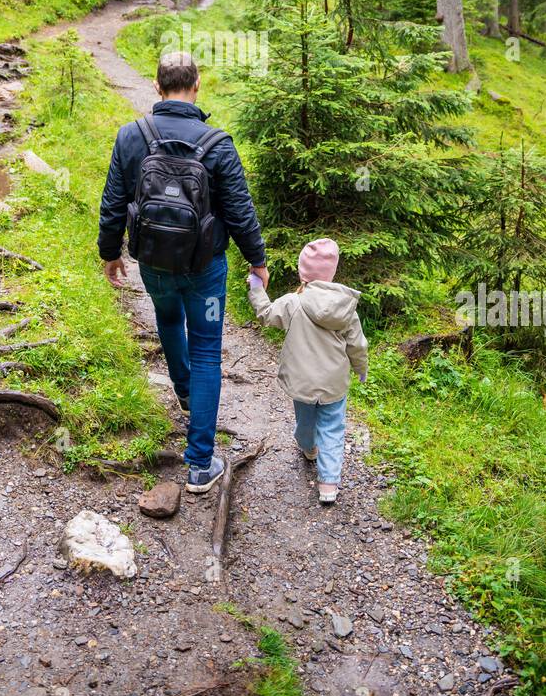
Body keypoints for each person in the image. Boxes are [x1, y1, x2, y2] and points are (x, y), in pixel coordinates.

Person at [98, 51, 268, 493]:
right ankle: (199, 464)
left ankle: (185, 391)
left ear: (157, 87)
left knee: (168, 319)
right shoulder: (218, 143)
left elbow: (113, 202)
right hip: (206, 266)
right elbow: (241, 211)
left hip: (152, 262)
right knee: (209, 350)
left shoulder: (130, 136)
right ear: (197, 86)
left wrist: (110, 252)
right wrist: (257, 259)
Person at [247, 237, 367, 505]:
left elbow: (266, 314)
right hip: (334, 383)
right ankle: (328, 485)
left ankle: (308, 447)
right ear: (332, 272)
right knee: (333, 428)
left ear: (302, 272)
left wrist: (256, 287)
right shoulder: (345, 306)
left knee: (305, 421)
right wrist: (360, 368)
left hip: (301, 382)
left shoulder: (293, 302)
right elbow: (357, 344)